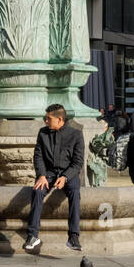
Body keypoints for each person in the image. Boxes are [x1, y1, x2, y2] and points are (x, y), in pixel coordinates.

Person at [23, 104, 85, 254]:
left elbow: (78, 162)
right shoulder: (42, 133)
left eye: (48, 118)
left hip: (68, 174)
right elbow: (38, 156)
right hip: (49, 174)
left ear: (59, 119)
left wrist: (65, 177)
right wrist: (42, 175)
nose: (45, 121)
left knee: (75, 193)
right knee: (37, 191)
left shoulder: (76, 134)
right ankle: (32, 235)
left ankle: (73, 237)